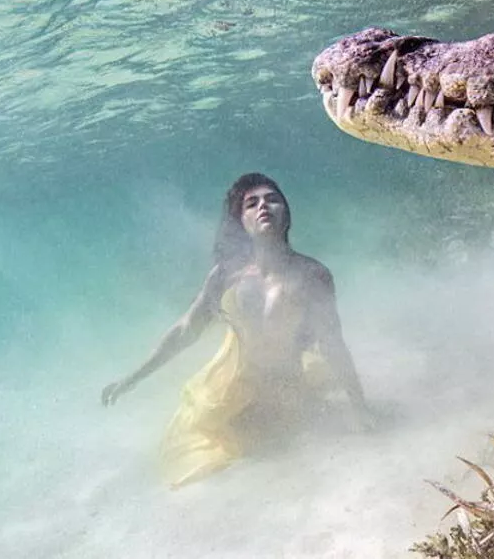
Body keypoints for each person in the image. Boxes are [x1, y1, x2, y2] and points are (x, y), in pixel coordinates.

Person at [102, 172, 369, 488]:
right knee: (217, 471)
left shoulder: (314, 274)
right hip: (235, 396)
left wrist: (360, 407)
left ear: (287, 212)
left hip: (290, 391)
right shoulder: (227, 274)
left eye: (272, 199)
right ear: (241, 222)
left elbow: (332, 343)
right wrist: (132, 378)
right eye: (251, 204)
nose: (263, 207)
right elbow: (187, 329)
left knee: (301, 466)